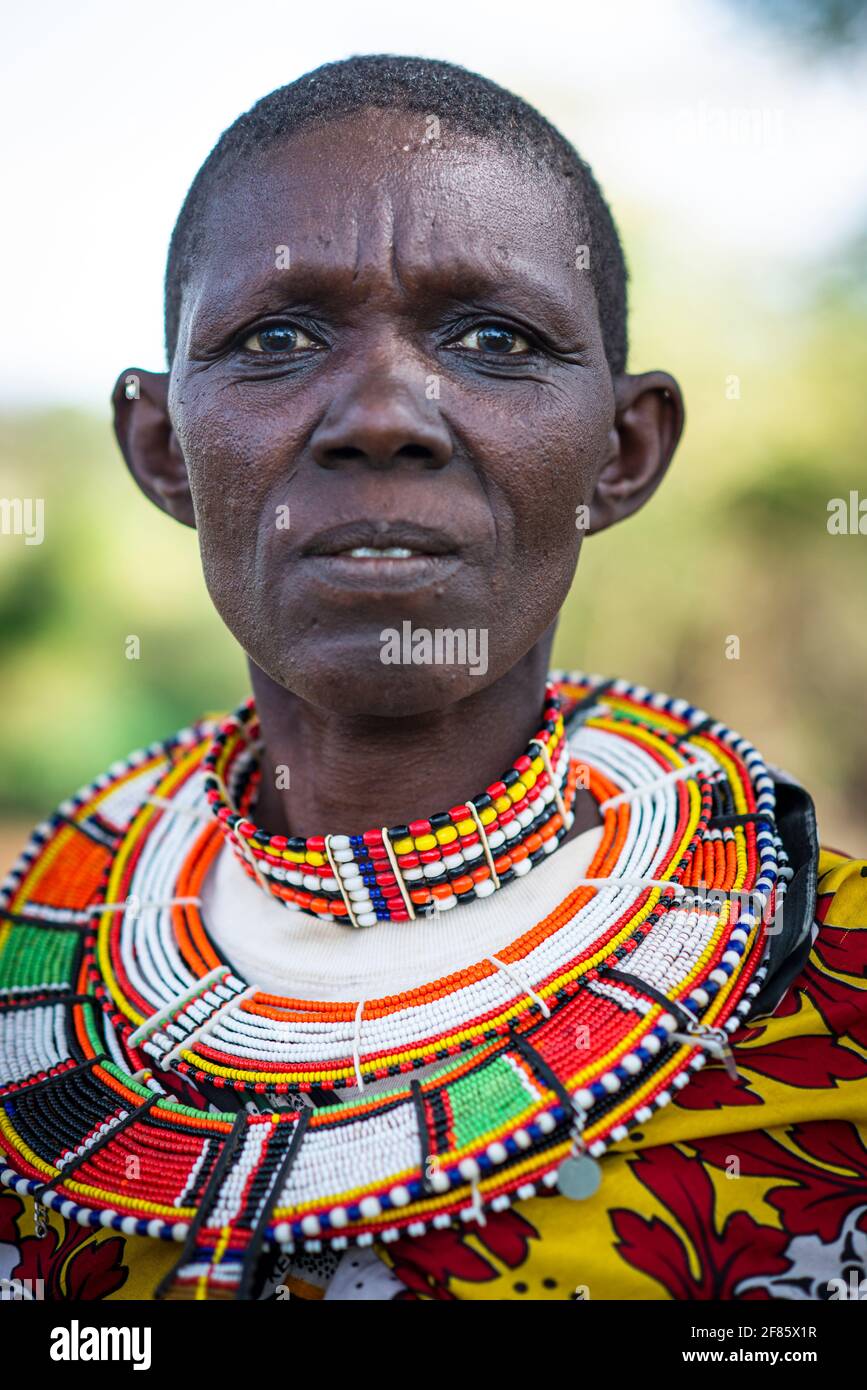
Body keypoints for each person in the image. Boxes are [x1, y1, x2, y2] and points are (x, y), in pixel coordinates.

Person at [1, 55, 865, 1304]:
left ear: (621, 452)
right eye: (278, 337)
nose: (383, 415)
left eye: (494, 337)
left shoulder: (834, 1008)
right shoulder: (38, 1009)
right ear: (161, 447)